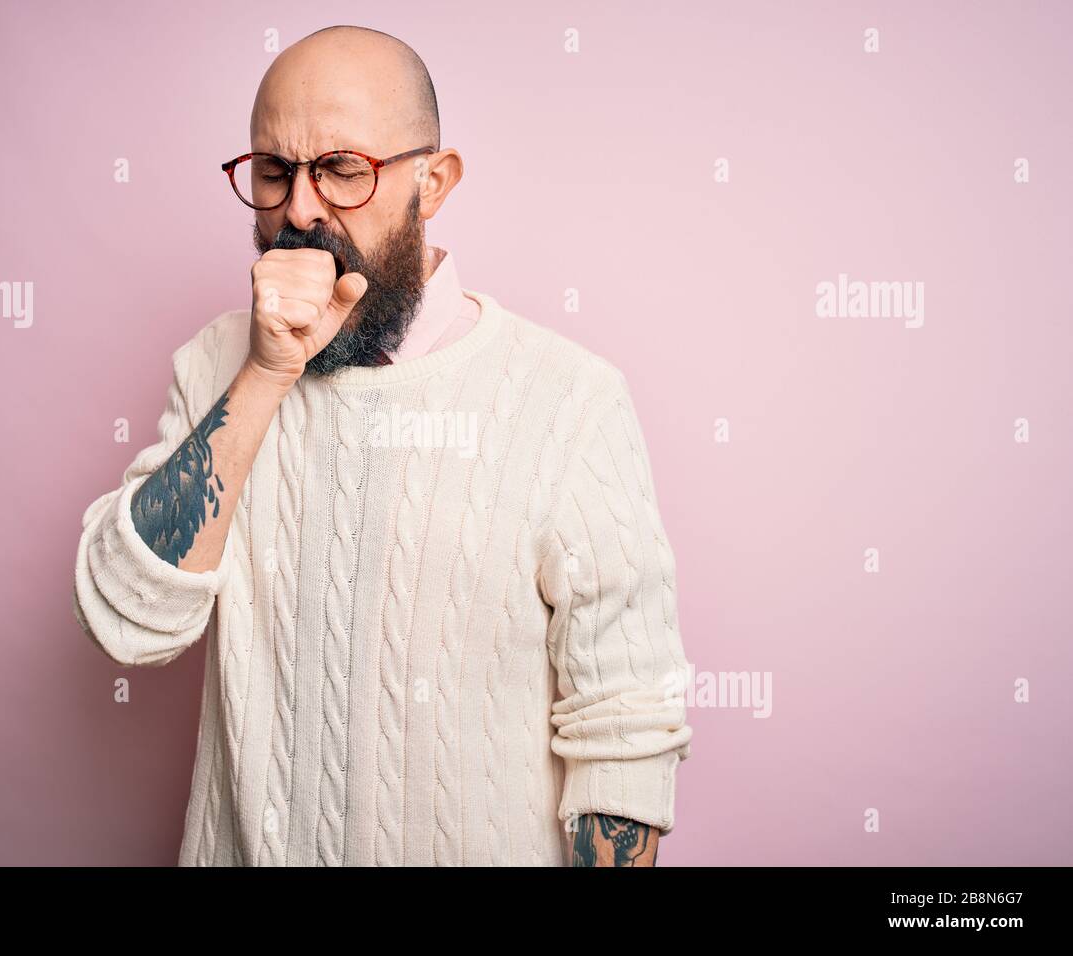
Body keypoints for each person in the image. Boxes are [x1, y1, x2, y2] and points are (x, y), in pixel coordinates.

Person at [72, 24, 692, 867]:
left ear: (432, 182)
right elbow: (128, 623)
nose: (300, 210)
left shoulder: (568, 400)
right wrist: (265, 372)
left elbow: (623, 727)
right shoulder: (217, 364)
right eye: (274, 171)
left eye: (341, 168)